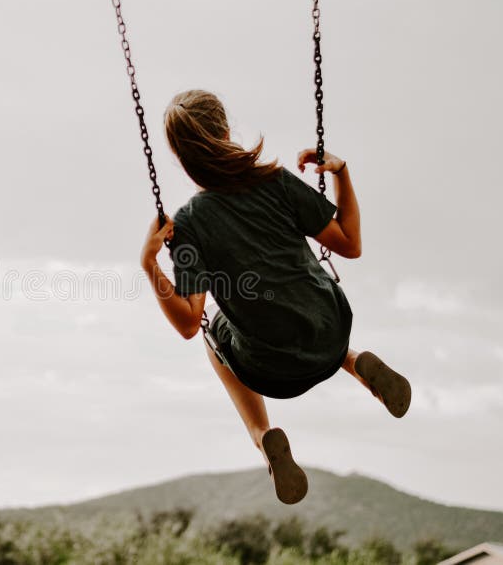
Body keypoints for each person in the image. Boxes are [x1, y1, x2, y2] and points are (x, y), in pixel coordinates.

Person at [140, 89, 411, 504]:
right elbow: (351, 243)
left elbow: (188, 324)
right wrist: (342, 174)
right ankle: (356, 362)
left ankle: (263, 437)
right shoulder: (276, 181)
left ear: (180, 157)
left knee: (214, 331)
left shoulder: (189, 225)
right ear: (227, 132)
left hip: (271, 369)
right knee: (301, 312)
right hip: (332, 329)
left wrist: (150, 264)